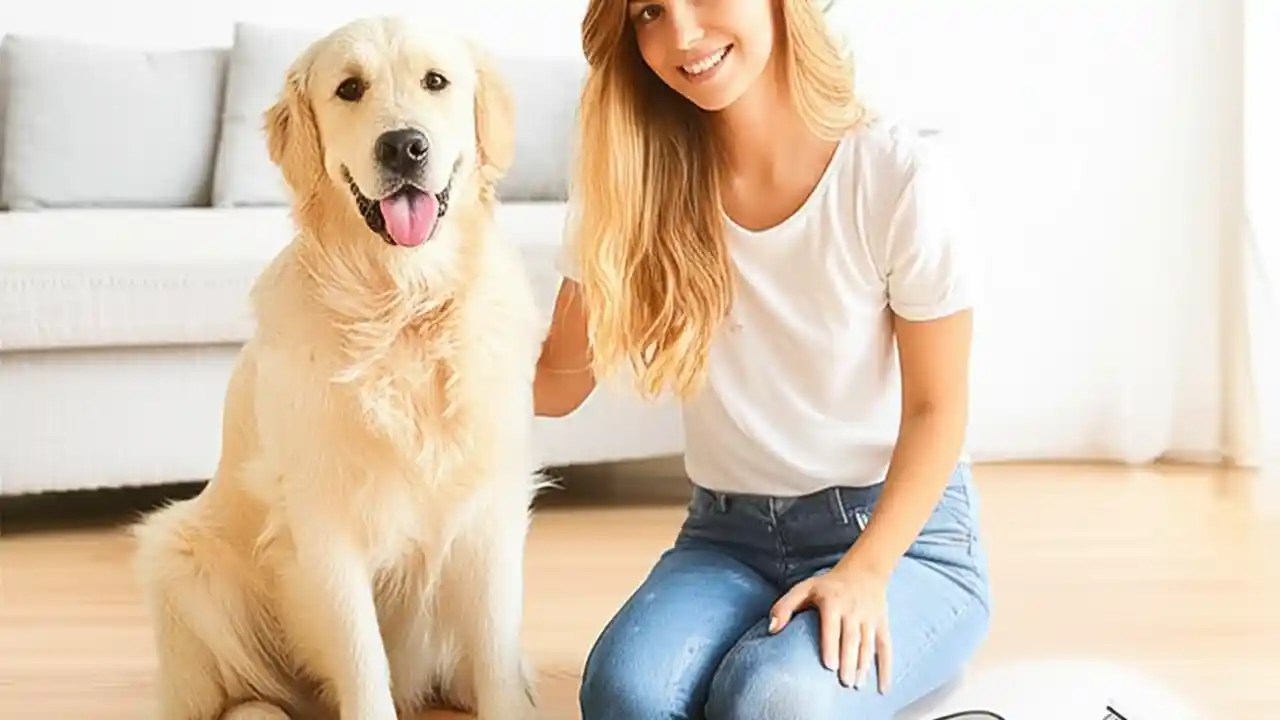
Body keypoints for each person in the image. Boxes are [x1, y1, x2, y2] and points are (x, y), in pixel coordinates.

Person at [533, 0, 992, 717]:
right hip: (727, 535)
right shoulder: (633, 184)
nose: (680, 35)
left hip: (900, 538)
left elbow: (940, 409)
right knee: (625, 695)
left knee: (769, 703)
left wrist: (866, 572)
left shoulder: (894, 174)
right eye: (649, 12)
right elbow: (553, 387)